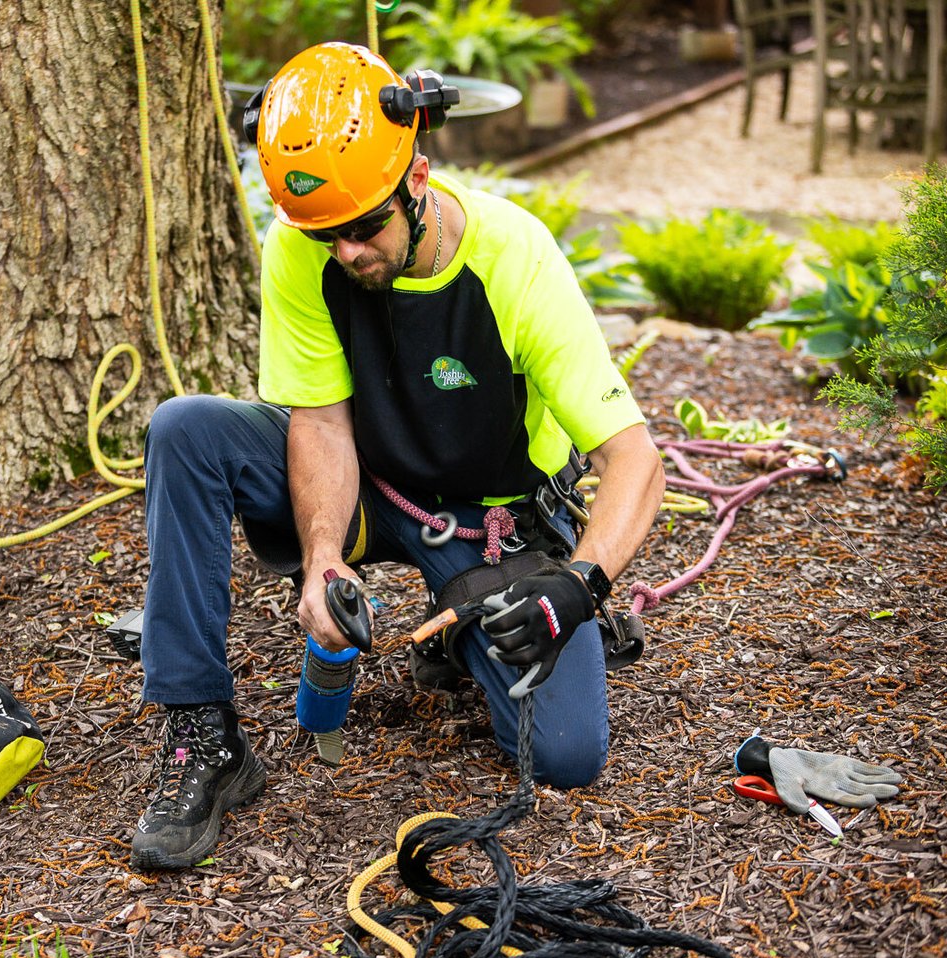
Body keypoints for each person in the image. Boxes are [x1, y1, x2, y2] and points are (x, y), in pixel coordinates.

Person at [129, 42, 665, 870]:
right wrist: (321, 561)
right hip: (370, 486)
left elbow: (634, 459)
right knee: (187, 430)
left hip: (491, 519)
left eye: (362, 227)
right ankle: (203, 736)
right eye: (323, 233)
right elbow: (321, 421)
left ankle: (459, 634)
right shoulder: (303, 246)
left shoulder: (513, 259)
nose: (344, 252)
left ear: (416, 177)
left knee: (565, 755)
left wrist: (576, 587)